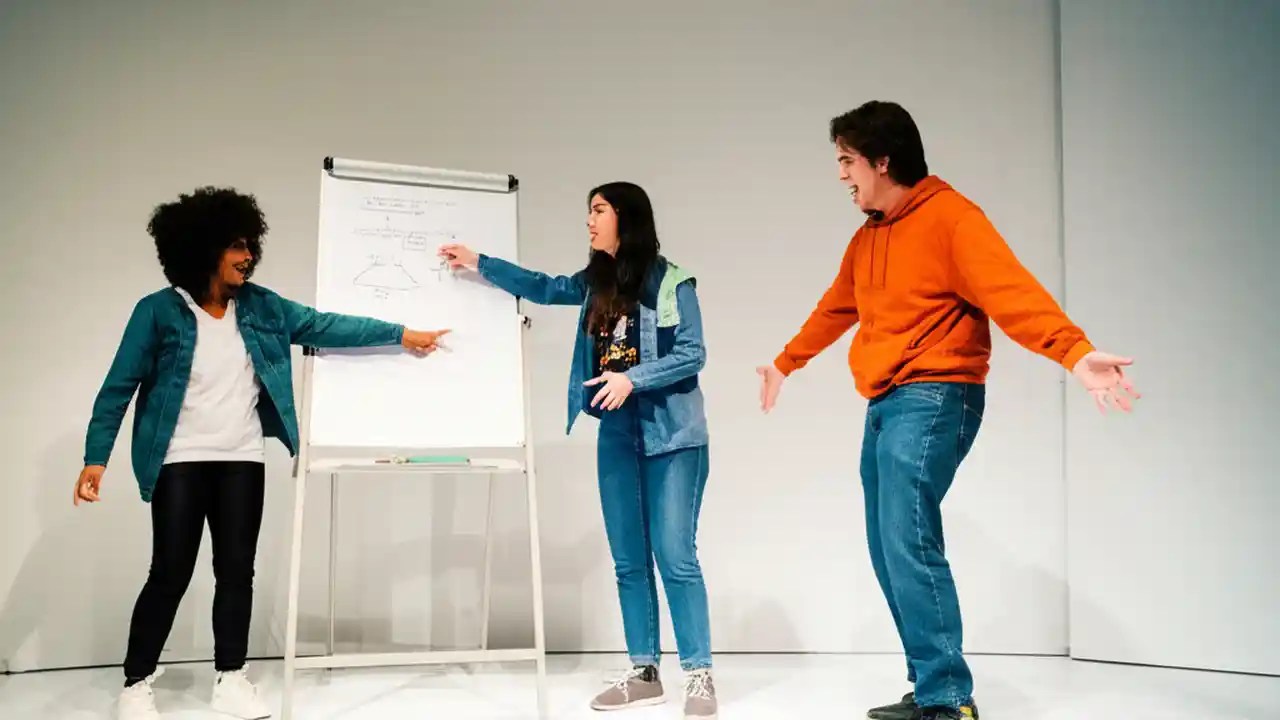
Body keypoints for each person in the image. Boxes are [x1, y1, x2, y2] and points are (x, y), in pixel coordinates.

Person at [756, 101, 1139, 720]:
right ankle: (929, 685)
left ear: (883, 160)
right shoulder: (869, 234)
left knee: (906, 537)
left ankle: (948, 700)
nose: (841, 176)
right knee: (887, 545)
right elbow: (836, 307)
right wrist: (785, 362)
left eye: (847, 161)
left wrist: (1075, 352)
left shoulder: (952, 219)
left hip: (936, 394)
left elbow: (1012, 292)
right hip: (884, 400)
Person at [76, 186, 448, 720]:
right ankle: (136, 684)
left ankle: (232, 677)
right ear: (202, 249)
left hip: (242, 459)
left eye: (251, 245)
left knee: (236, 572)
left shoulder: (263, 307)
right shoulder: (157, 313)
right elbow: (119, 387)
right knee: (170, 571)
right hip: (179, 459)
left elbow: (325, 325)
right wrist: (96, 458)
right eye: (235, 246)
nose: (247, 256)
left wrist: (401, 333)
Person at [439, 181, 718, 720]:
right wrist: (479, 262)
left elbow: (693, 352)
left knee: (675, 557)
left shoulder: (670, 281)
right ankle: (644, 672)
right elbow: (544, 287)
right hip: (617, 435)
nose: (589, 221)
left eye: (598, 210)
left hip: (674, 436)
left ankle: (700, 675)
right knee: (628, 561)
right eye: (588, 211)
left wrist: (633, 378)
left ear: (626, 217)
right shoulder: (596, 284)